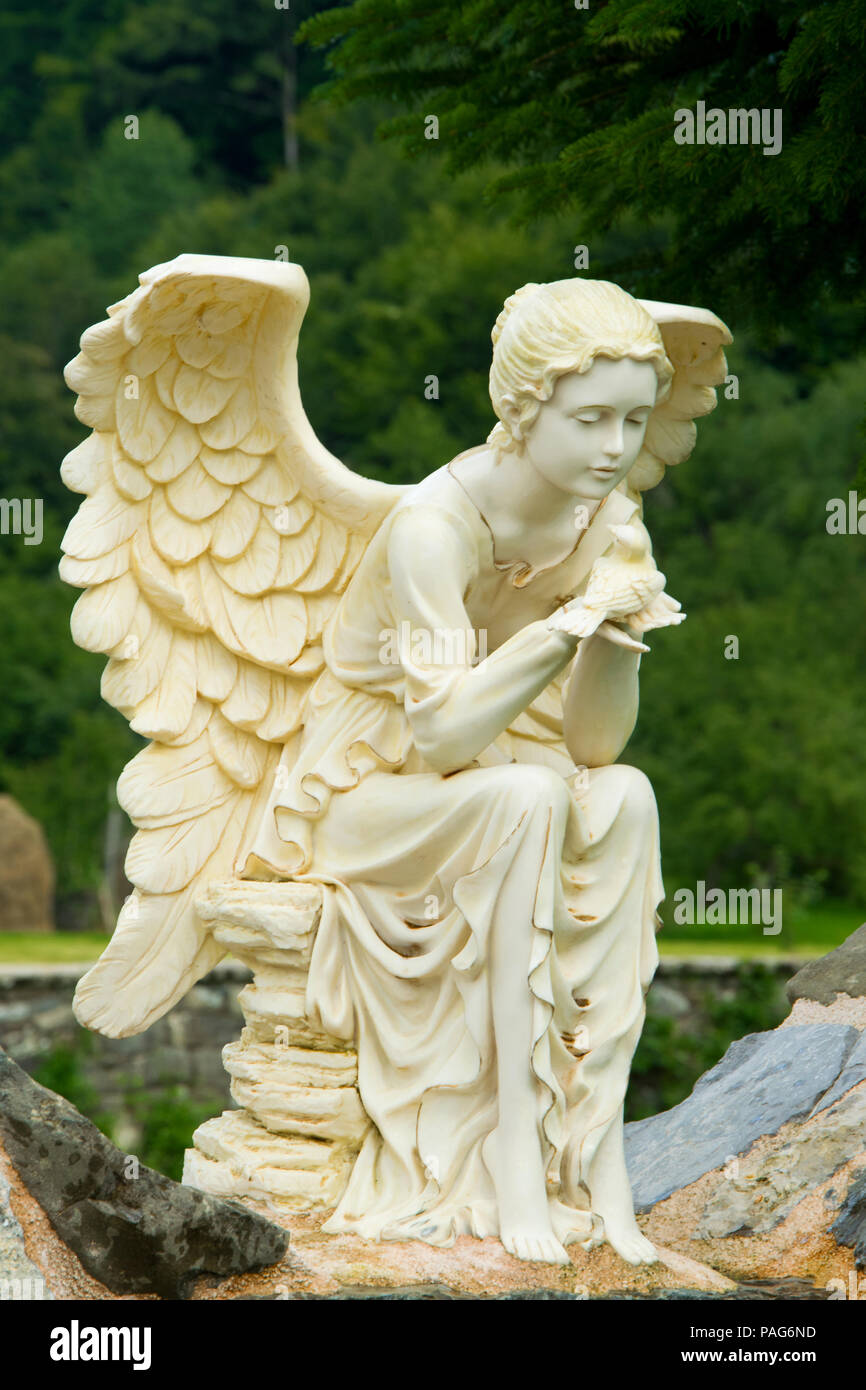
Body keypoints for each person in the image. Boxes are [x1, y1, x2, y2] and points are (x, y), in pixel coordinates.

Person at [246, 279, 675, 1265]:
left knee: (628, 798)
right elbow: (437, 735)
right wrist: (561, 630)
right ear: (522, 410)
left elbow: (597, 748)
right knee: (522, 801)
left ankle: (591, 1161)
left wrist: (613, 634)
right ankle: (512, 1167)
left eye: (634, 421)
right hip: (365, 795)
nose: (615, 447)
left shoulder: (606, 522)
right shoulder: (435, 525)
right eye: (590, 420)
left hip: (500, 769)